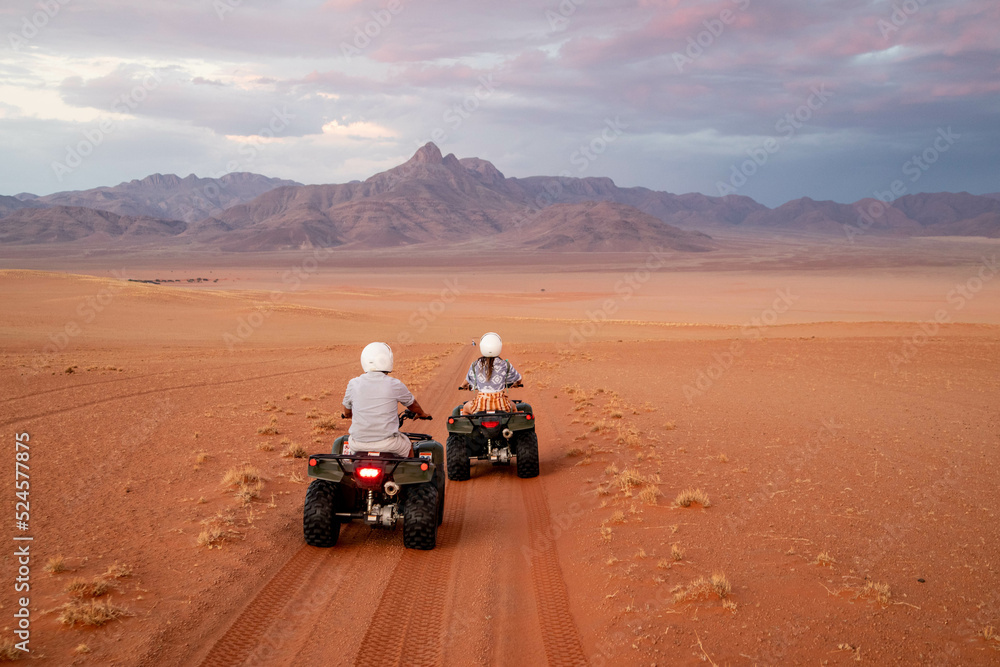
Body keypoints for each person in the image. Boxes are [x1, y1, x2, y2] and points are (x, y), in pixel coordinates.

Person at [342, 342, 430, 457]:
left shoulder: (353, 384)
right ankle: (411, 473)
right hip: (388, 444)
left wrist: (348, 415)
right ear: (388, 360)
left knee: (347, 451)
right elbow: (413, 405)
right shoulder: (395, 384)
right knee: (407, 445)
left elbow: (347, 411)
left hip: (358, 444)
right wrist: (422, 413)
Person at [460, 332, 523, 414]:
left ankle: (468, 426)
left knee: (465, 408)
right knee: (513, 407)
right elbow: (518, 378)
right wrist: (517, 384)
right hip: (501, 405)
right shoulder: (505, 365)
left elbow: (467, 381)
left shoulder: (475, 365)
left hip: (480, 406)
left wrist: (463, 386)